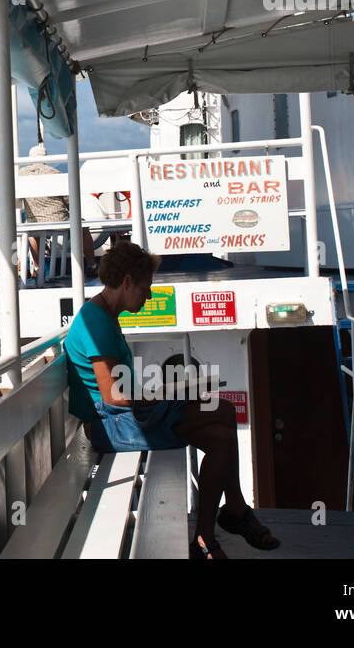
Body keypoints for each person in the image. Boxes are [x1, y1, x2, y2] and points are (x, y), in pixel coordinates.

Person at [63, 240, 280, 559]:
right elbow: (114, 395)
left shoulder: (103, 315)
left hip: (121, 418)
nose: (148, 296)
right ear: (127, 282)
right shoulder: (96, 322)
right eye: (145, 288)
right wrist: (167, 393)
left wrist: (166, 394)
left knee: (220, 431)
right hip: (111, 425)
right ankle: (225, 520)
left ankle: (216, 528)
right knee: (222, 415)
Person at [19, 143, 96, 278]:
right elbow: (68, 200)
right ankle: (92, 265)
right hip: (60, 219)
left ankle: (37, 268)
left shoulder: (21, 174)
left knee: (32, 234)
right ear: (45, 157)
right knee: (83, 227)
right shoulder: (55, 173)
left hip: (35, 221)